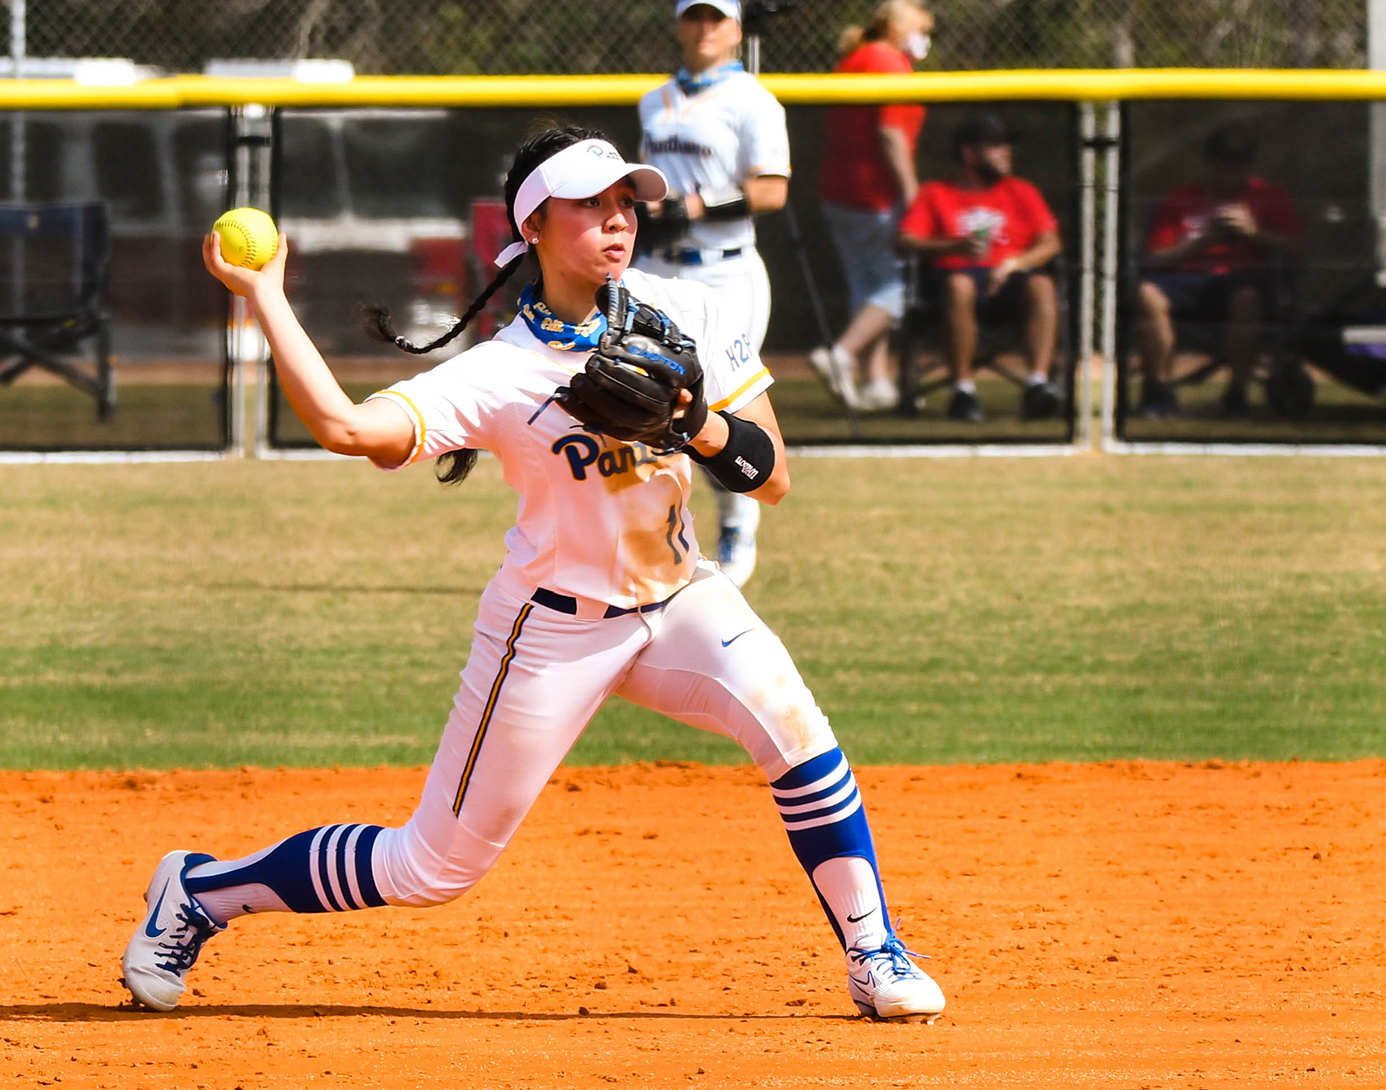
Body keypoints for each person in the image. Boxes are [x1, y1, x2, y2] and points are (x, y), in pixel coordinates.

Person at [118, 125, 946, 1025]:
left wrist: (695, 423)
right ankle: (200, 890)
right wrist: (266, 294)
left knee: (799, 733)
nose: (617, 221)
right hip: (553, 628)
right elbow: (349, 431)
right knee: (430, 869)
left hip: (679, 598)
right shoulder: (501, 372)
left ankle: (874, 953)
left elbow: (772, 477)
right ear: (535, 228)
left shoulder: (688, 314)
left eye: (627, 202)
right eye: (591, 205)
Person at [637, 0, 791, 588]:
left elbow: (772, 190)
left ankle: (737, 519)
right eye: (694, 16)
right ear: (679, 25)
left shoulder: (753, 99)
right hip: (657, 267)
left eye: (715, 17)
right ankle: (655, 532)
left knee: (718, 407)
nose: (704, 28)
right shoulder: (655, 100)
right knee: (642, 399)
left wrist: (695, 206)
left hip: (726, 269)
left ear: (736, 28)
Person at [894, 113, 1064, 422]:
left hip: (1010, 283)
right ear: (969, 154)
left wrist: (1014, 264)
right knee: (960, 285)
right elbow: (905, 241)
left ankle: (1038, 385)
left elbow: (1051, 243)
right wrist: (953, 246)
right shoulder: (936, 193)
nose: (1006, 152)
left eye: (1007, 145)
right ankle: (963, 391)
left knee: (1042, 285)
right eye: (996, 146)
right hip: (951, 285)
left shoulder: (1020, 191)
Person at [810, 0, 934, 413]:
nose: (925, 35)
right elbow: (891, 135)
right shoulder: (889, 61)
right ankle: (841, 354)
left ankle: (876, 380)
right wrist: (913, 192)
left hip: (838, 189)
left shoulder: (857, 57)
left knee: (867, 288)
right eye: (921, 25)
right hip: (875, 193)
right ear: (900, 26)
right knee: (894, 289)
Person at [1132, 124, 1304, 418]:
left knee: (1247, 297)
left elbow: (1298, 248)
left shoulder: (1268, 196)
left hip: (1243, 280)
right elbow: (1153, 260)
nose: (1229, 171)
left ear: (1249, 165)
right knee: (1146, 293)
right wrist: (1201, 242)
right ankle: (1157, 390)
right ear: (1209, 162)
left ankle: (1236, 393)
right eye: (1222, 163)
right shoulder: (1180, 198)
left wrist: (1253, 233)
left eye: (1238, 164)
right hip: (1183, 279)